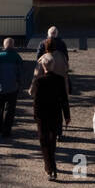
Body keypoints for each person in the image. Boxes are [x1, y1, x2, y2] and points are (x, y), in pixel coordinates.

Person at [31, 53, 70, 181]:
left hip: (42, 116)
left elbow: (36, 101)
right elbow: (64, 99)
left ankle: (49, 168)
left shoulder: (39, 81)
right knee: (52, 141)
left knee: (44, 142)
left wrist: (35, 115)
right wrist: (67, 115)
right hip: (55, 114)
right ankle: (51, 167)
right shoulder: (59, 80)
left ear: (43, 65)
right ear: (53, 65)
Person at [0, 37, 23, 138]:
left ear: (4, 45)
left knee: (0, 107)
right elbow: (20, 74)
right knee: (10, 109)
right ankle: (6, 130)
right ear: (13, 45)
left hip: (0, 88)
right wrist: (18, 84)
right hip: (13, 88)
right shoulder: (17, 57)